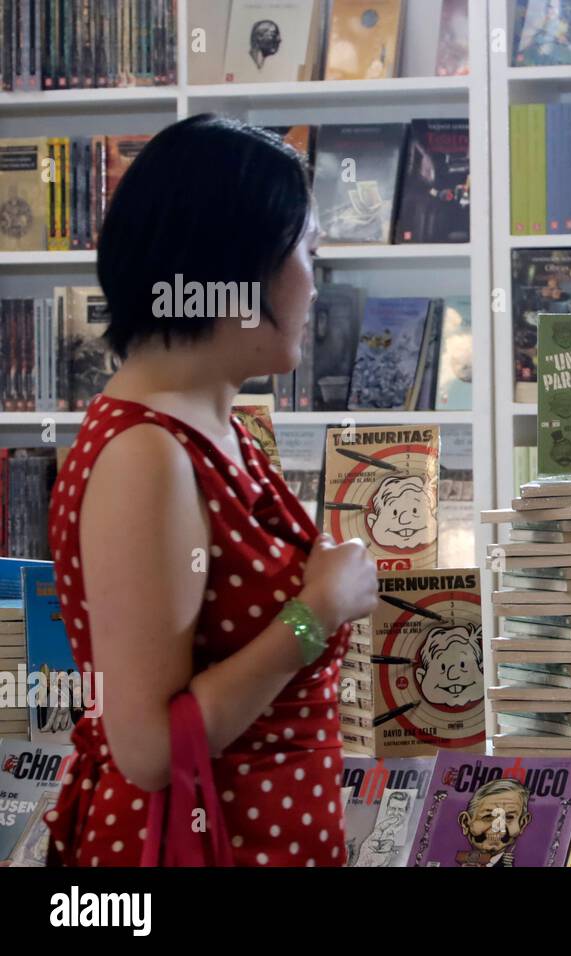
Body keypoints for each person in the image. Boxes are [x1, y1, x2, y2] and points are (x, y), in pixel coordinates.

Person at [42, 115, 379, 867]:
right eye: (308, 254)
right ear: (237, 272)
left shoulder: (214, 429)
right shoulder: (147, 456)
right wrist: (315, 614)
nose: (316, 287)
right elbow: (150, 748)